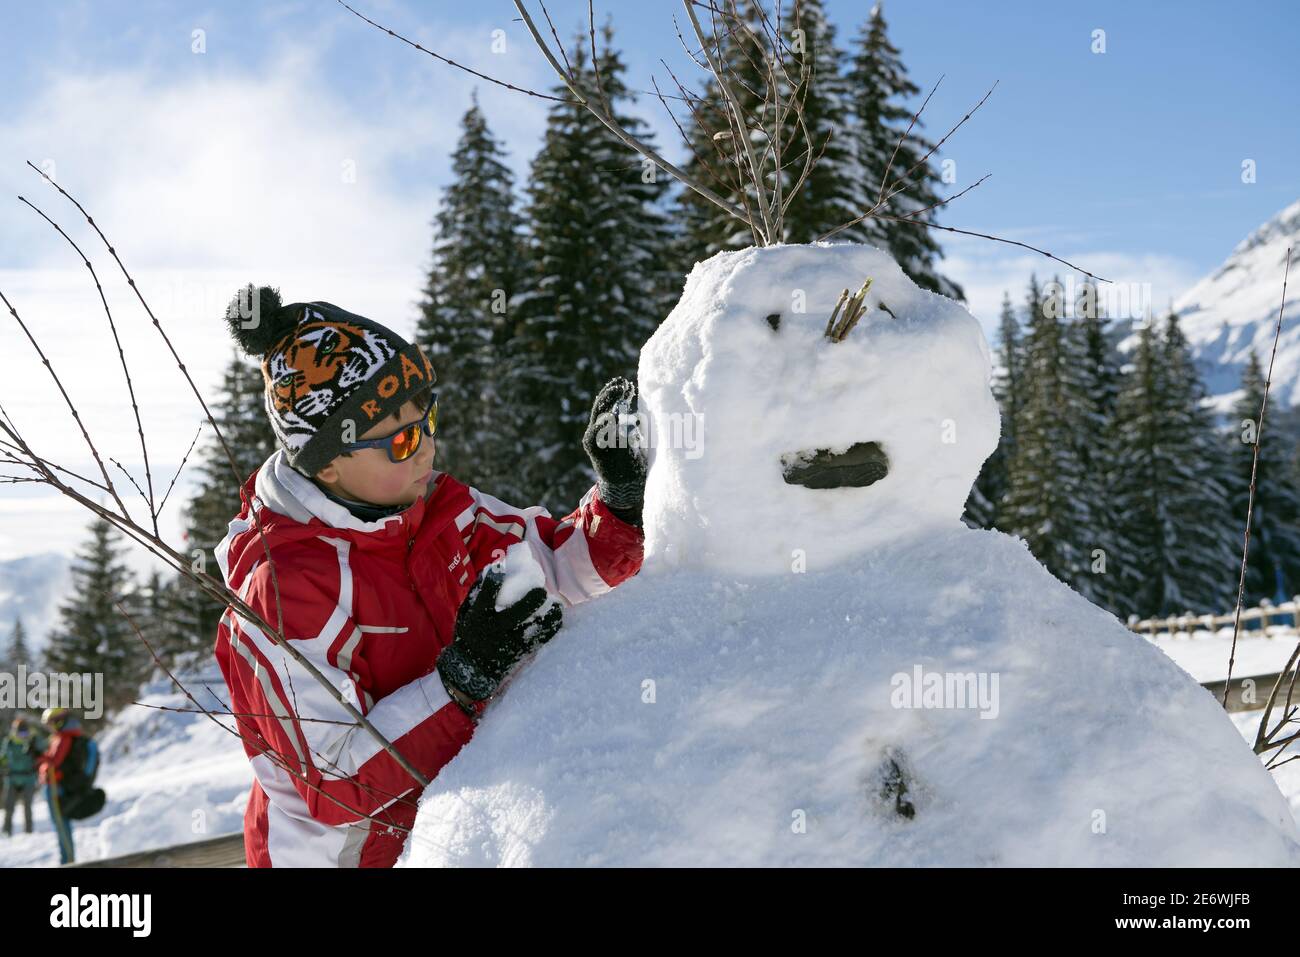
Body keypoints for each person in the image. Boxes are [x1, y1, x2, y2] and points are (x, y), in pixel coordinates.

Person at [213, 287, 648, 867]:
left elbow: (554, 566)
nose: (426, 449)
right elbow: (334, 780)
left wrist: (619, 504)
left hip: (456, 829)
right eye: (400, 438)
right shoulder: (286, 588)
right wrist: (462, 680)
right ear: (329, 460)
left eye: (427, 418)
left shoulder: (445, 511)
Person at [37, 708, 96, 864]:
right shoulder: (62, 736)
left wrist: (38, 756)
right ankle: (67, 859)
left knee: (61, 825)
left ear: (59, 721)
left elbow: (55, 761)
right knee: (61, 824)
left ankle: (67, 861)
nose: (49, 727)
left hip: (56, 787)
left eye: (51, 723)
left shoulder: (64, 738)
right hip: (56, 785)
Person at [0, 718, 39, 836]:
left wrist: (35, 750)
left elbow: (42, 754)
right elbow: (3, 758)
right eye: (20, 733)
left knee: (28, 807)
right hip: (12, 779)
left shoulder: (33, 740)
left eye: (25, 733)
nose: (23, 736)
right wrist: (4, 766)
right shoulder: (9, 742)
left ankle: (29, 832)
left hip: (28, 778)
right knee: (9, 807)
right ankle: (6, 832)